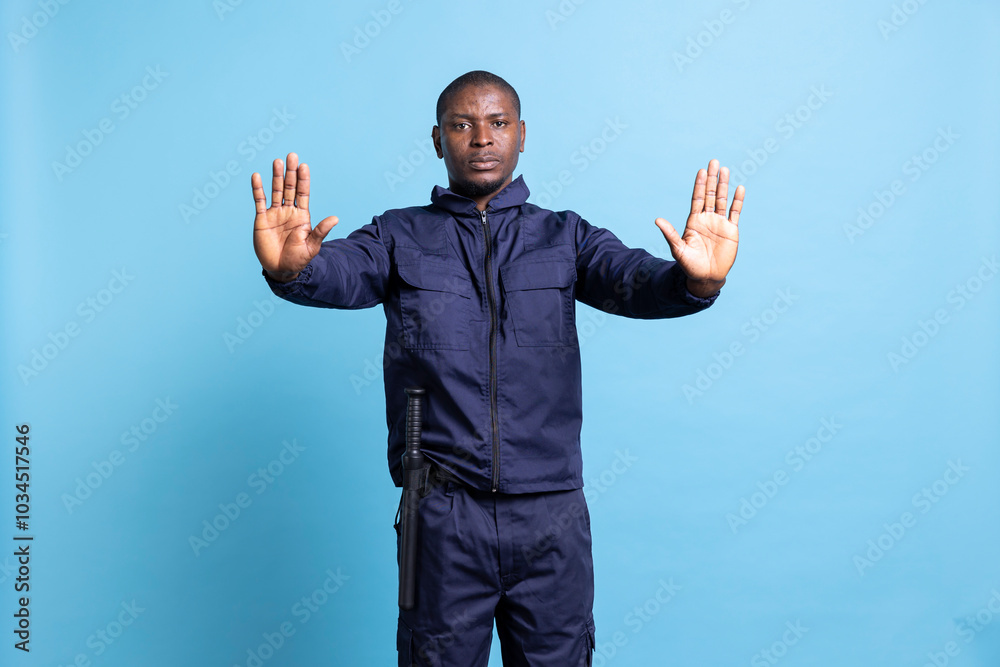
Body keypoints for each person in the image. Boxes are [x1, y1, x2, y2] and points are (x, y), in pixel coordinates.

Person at [251, 70, 744, 667]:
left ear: (522, 135)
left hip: (551, 516)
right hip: (444, 517)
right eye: (462, 125)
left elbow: (635, 282)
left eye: (497, 123)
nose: (481, 138)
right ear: (438, 141)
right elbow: (339, 273)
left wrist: (695, 280)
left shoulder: (566, 237)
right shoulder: (397, 236)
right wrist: (292, 270)